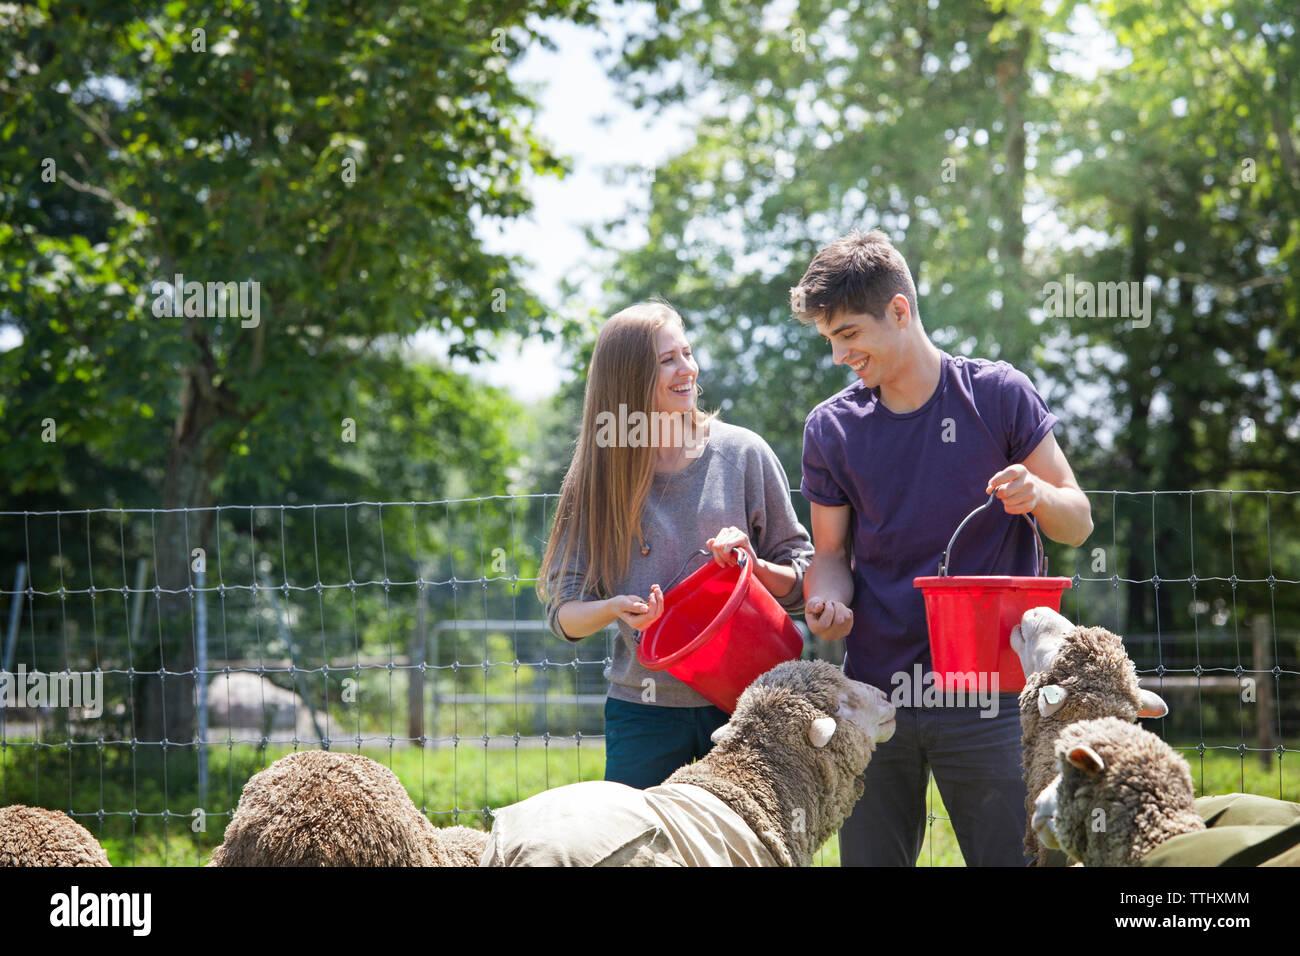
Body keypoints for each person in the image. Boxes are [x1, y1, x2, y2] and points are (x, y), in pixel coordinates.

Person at [791, 229, 1093, 866]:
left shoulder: (997, 395)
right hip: (877, 699)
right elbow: (830, 558)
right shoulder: (833, 428)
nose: (841, 355)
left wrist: (1037, 493)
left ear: (899, 310)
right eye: (830, 341)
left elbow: (1078, 523)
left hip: (990, 695)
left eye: (849, 335)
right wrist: (826, 602)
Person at [538, 301, 813, 790]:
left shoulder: (744, 454)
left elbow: (802, 584)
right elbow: (564, 615)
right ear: (628, 379)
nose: (687, 368)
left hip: (746, 708)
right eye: (668, 360)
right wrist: (616, 609)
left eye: (687, 353)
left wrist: (754, 565)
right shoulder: (596, 480)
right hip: (642, 713)